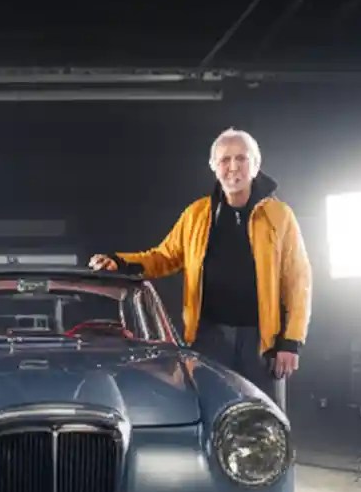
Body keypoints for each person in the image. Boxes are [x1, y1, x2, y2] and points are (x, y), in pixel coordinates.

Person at [89, 128, 311, 407]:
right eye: (225, 160)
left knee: (264, 417)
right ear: (213, 167)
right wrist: (120, 261)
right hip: (209, 337)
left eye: (241, 158)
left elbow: (298, 282)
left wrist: (291, 343)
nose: (233, 167)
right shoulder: (197, 215)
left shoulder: (280, 216)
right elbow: (163, 257)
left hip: (262, 340)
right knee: (210, 413)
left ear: (256, 165)